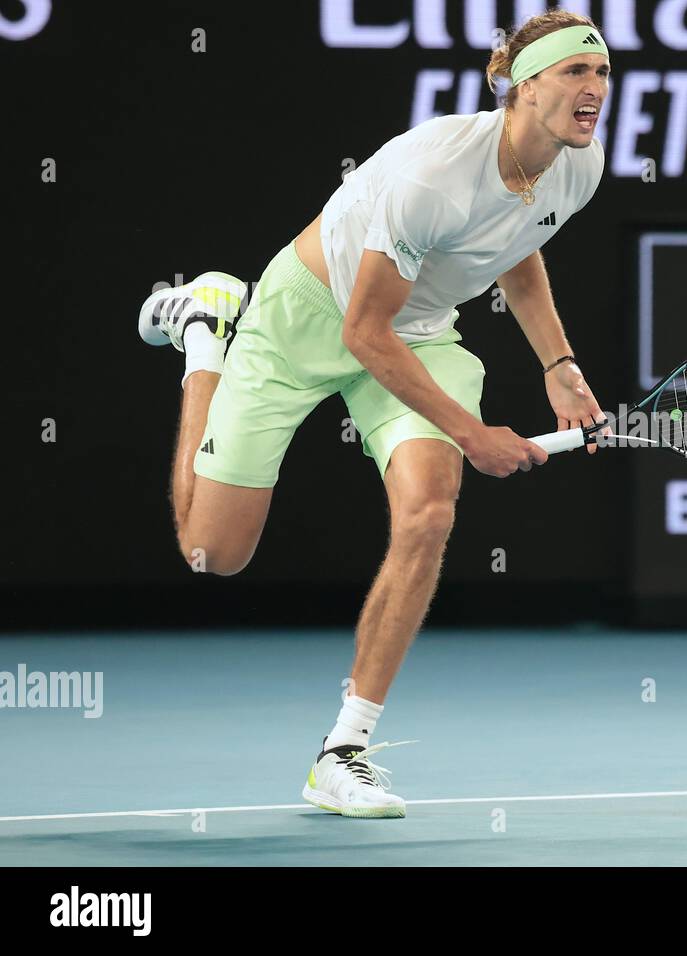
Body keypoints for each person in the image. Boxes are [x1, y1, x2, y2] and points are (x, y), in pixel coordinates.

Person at [135, 10, 610, 818]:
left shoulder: (577, 164)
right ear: (524, 85)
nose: (594, 90)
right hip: (309, 316)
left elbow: (516, 247)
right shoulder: (434, 173)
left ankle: (343, 750)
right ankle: (205, 337)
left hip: (417, 336)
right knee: (213, 554)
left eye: (601, 75)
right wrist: (475, 432)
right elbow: (362, 331)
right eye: (575, 73)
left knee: (429, 511)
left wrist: (559, 366)